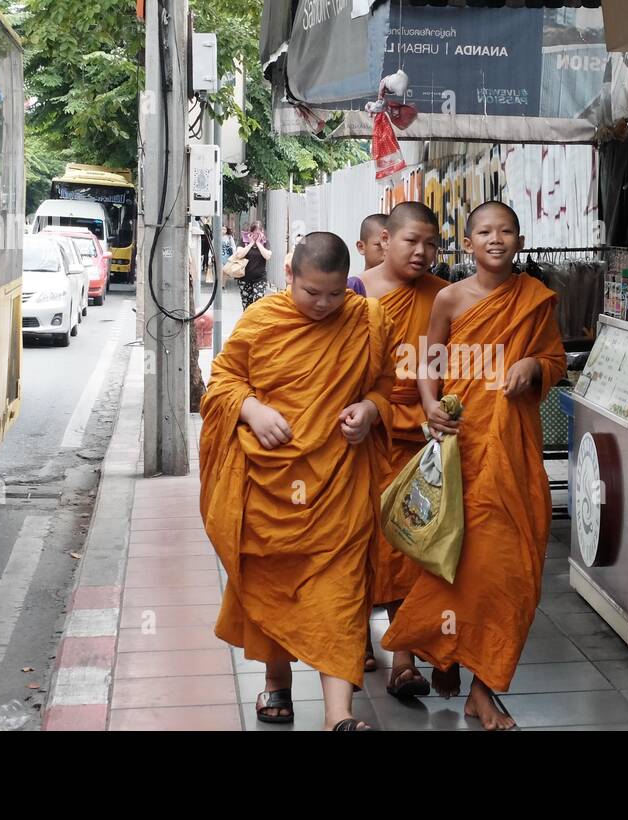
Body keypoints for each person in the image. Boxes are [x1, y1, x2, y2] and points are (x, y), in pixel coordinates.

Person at [199, 231, 398, 731]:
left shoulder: (368, 319)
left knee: (342, 590)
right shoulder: (261, 321)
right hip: (271, 481)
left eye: (335, 294)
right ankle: (276, 683)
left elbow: (386, 385)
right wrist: (252, 409)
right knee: (273, 585)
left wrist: (370, 410)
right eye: (312, 293)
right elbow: (221, 383)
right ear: (289, 276)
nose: (325, 305)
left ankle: (338, 717)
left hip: (339, 481)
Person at [381, 201, 566, 731]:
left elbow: (553, 361)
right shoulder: (449, 297)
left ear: (520, 240)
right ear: (468, 243)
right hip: (461, 450)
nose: (496, 239)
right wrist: (429, 404)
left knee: (512, 571)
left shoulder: (535, 299)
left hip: (512, 453)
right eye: (484, 231)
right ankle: (449, 660)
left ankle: (481, 686)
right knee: (456, 564)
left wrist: (531, 366)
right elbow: (428, 362)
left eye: (506, 231)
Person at [356, 202, 447, 694]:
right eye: (412, 240)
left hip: (421, 442)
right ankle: (356, 643)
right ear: (385, 239)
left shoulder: (445, 296)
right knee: (361, 546)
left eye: (432, 243)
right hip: (364, 440)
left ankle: (405, 659)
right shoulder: (353, 293)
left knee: (410, 548)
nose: (423, 251)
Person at [232, 221, 271, 309]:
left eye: (258, 233)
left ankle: (256, 321)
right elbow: (239, 254)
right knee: (247, 306)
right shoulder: (244, 240)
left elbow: (267, 256)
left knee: (258, 301)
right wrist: (250, 244)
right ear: (250, 232)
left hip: (260, 278)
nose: (255, 235)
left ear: (262, 232)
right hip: (245, 278)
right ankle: (248, 322)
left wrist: (258, 243)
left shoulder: (265, 242)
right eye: (253, 232)